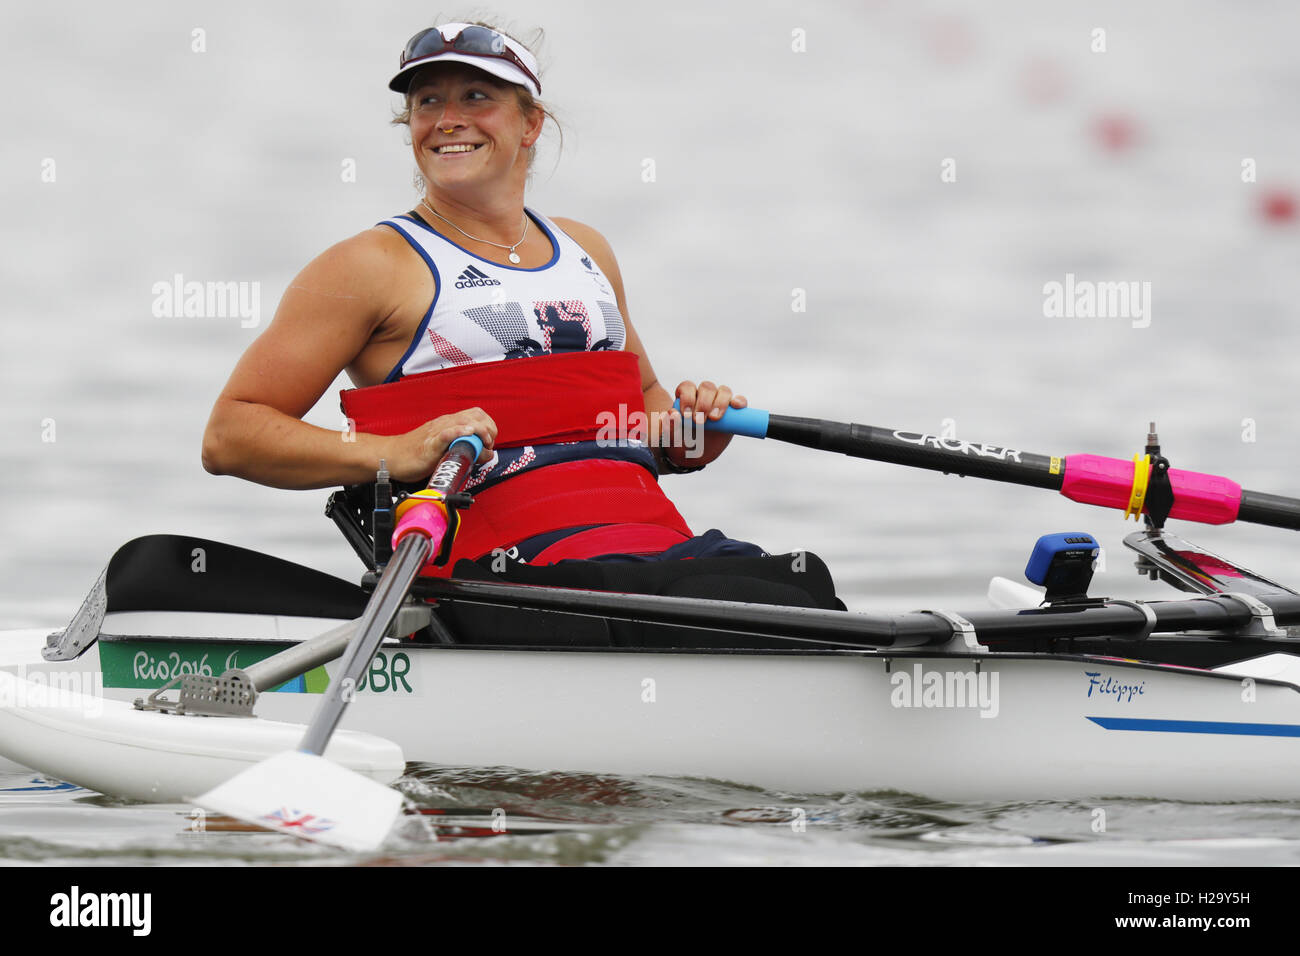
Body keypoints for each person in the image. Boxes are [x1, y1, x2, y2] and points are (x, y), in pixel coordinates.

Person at [201, 21, 759, 571]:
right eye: (427, 102)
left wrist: (692, 434)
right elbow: (231, 434)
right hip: (503, 574)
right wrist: (393, 453)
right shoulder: (369, 266)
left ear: (531, 123)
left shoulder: (587, 249)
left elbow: (643, 408)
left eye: (475, 96)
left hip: (651, 544)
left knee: (784, 584)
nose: (447, 121)